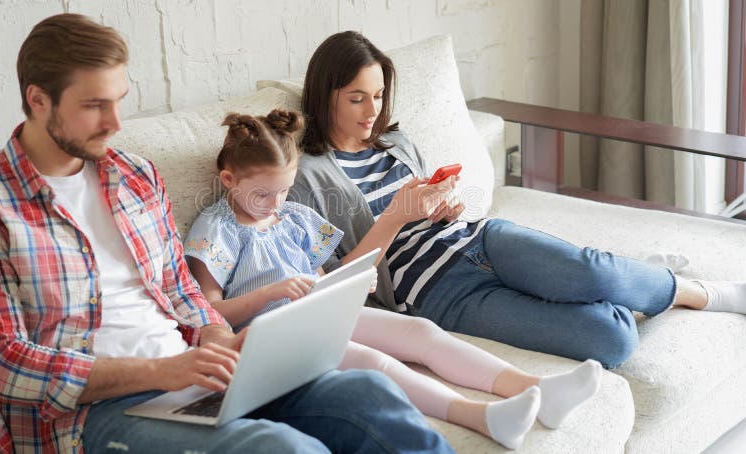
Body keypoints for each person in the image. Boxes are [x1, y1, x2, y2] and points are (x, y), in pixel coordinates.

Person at [0, 14, 454, 454]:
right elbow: (4, 363)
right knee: (282, 449)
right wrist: (162, 373)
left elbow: (181, 291)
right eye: (95, 106)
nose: (116, 123)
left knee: (370, 395)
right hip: (94, 416)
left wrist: (218, 340)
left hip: (197, 376)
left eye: (120, 101)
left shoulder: (134, 176)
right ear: (38, 100)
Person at [287, 30, 746, 371]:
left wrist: (449, 206)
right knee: (612, 341)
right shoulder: (307, 178)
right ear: (324, 97)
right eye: (357, 99)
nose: (372, 111)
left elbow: (435, 203)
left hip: (481, 241)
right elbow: (338, 286)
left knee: (592, 268)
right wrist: (395, 216)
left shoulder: (396, 141)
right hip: (440, 296)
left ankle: (699, 292)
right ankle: (632, 287)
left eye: (379, 95)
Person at [185, 108, 603, 450]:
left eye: (284, 191)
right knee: (371, 362)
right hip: (273, 339)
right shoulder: (217, 228)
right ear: (229, 181)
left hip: (316, 315)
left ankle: (538, 390)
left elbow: (320, 272)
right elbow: (209, 311)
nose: (275, 203)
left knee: (420, 331)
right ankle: (481, 417)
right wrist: (270, 293)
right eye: (263, 194)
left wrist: (345, 282)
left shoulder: (291, 217)